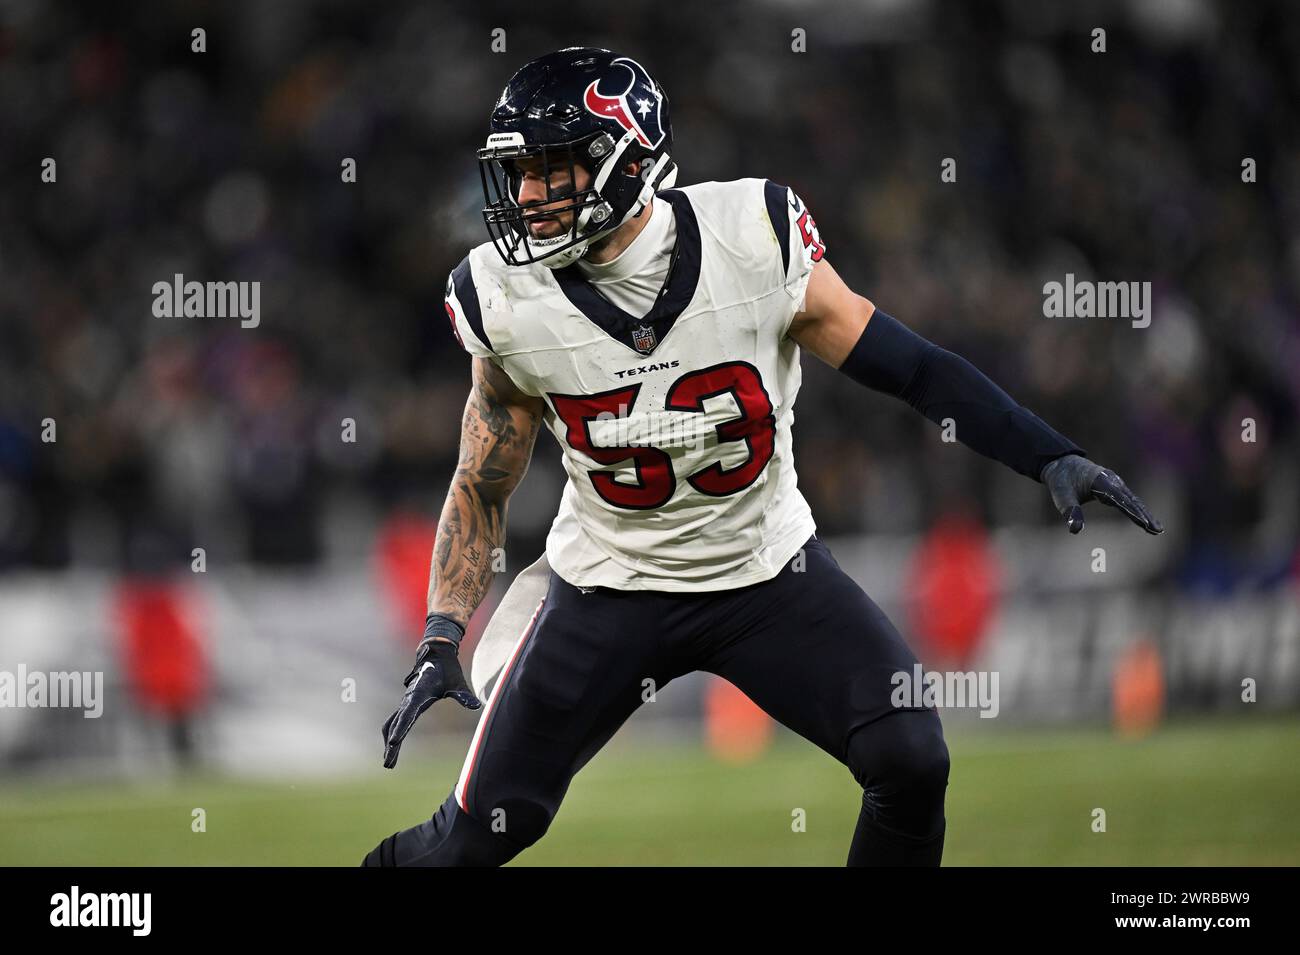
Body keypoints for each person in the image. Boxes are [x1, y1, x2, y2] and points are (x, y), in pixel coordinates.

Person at [362, 46, 1162, 867]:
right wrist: (440, 633)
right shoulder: (506, 299)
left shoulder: (752, 238)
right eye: (519, 173)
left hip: (766, 572)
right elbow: (482, 479)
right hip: (609, 586)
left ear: (626, 161)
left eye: (550, 170)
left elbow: (913, 369)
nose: (526, 198)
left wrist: (1046, 453)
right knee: (474, 838)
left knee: (912, 757)